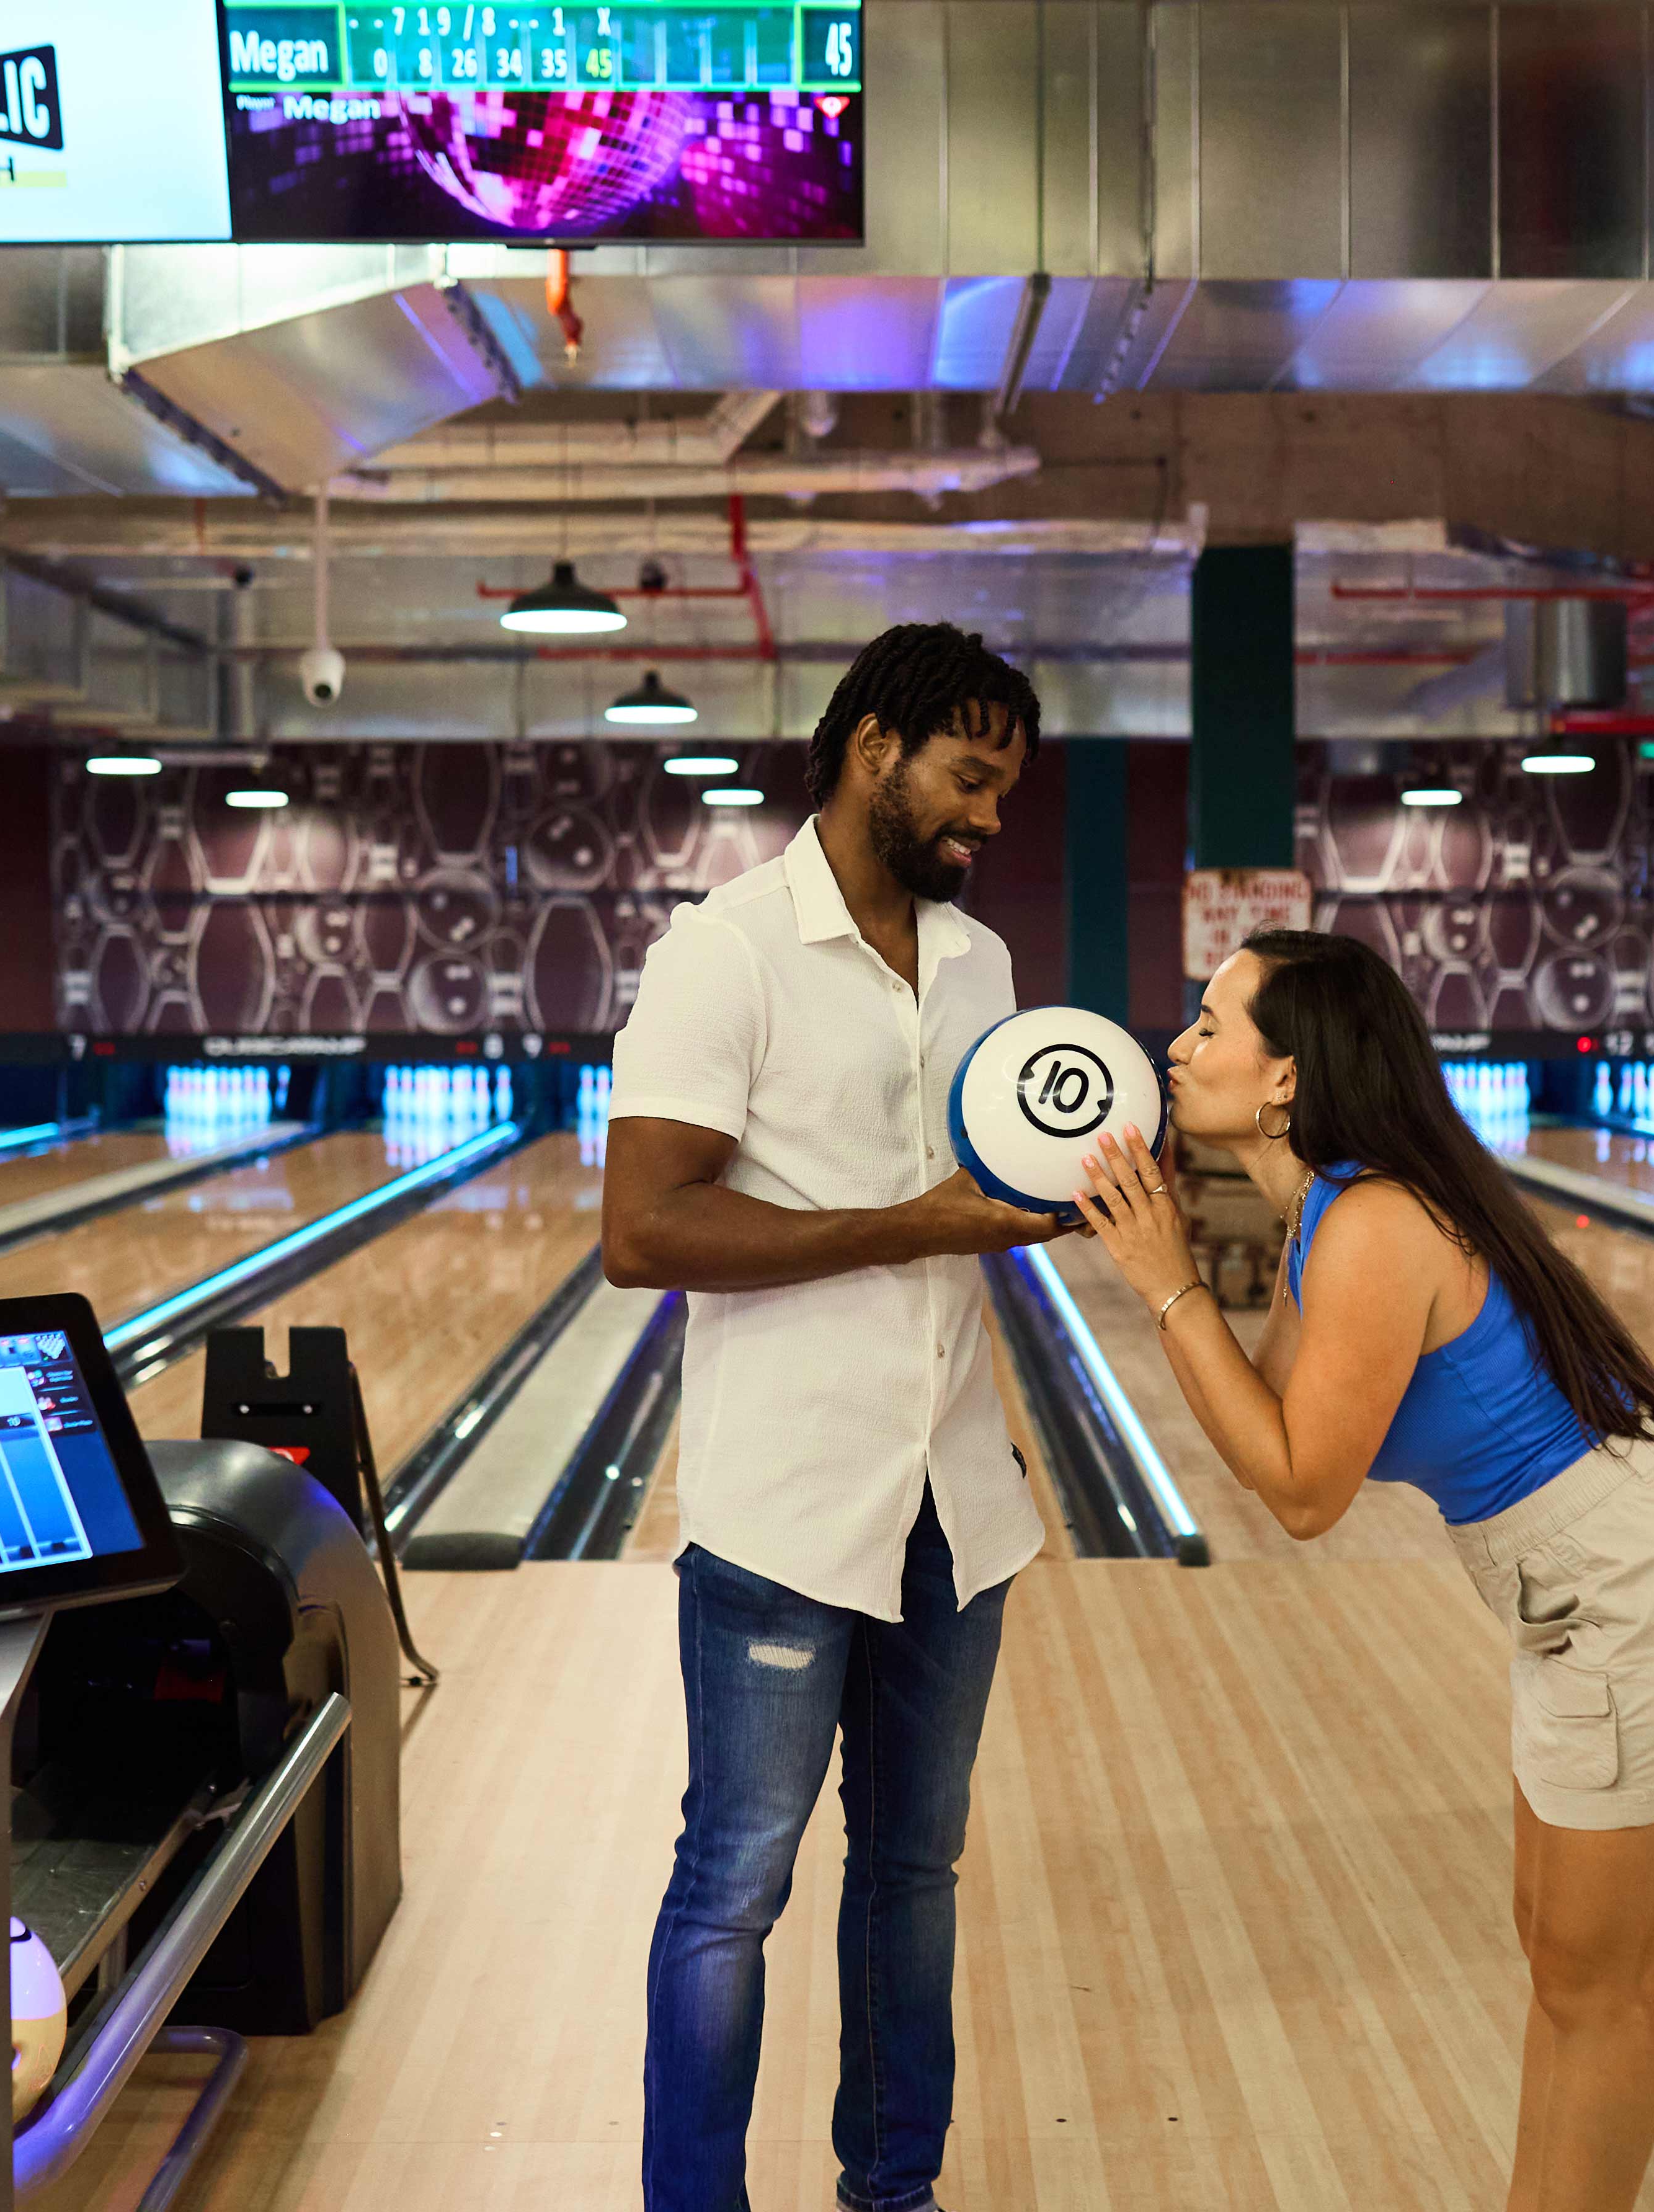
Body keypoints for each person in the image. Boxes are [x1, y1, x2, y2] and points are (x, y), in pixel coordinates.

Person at [1072, 930, 1654, 2212]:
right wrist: (1178, 1274)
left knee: (1597, 1985)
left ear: (1287, 1076)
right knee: (1558, 1957)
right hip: (1584, 1591)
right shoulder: (1328, 1206)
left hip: (1650, 1593)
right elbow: (1274, 1438)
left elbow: (1304, 1490)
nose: (1177, 1046)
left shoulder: (1373, 1222)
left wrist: (1167, 1286)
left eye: (1210, 1024)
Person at [602, 623, 1069, 2212]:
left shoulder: (982, 963)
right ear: (875, 744)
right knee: (734, 1887)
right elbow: (642, 1232)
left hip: (957, 1502)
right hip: (788, 1507)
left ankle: (896, 2189)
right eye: (969, 775)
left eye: (1004, 789)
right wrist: (922, 1220)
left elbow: (987, 1186)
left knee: (914, 1876)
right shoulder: (721, 950)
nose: (988, 817)